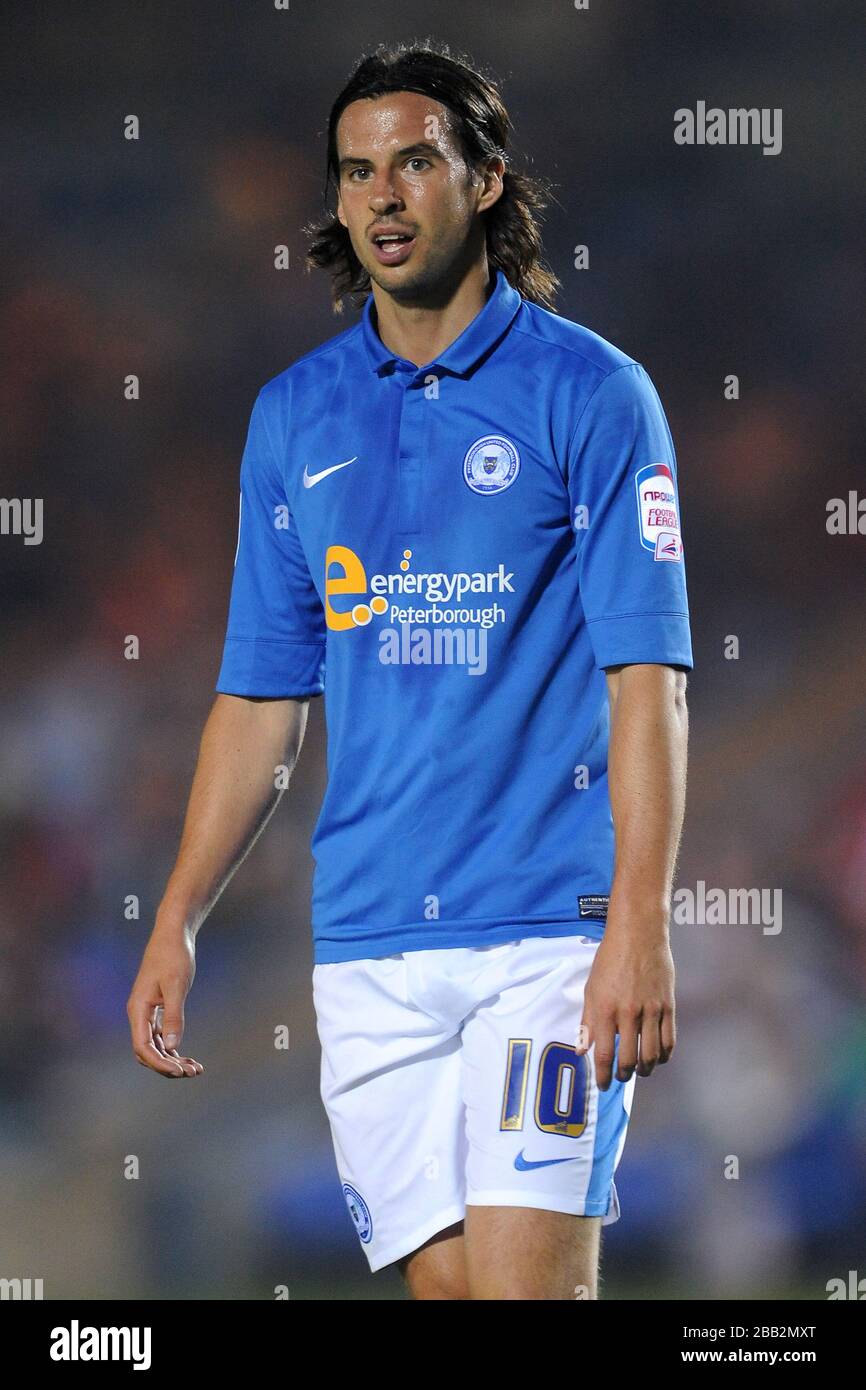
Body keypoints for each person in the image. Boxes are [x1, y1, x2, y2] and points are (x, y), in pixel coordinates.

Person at [127, 40, 692, 1301]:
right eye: (355, 171)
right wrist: (177, 912)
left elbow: (646, 679)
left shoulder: (595, 394)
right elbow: (261, 697)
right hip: (369, 944)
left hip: (545, 935)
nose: (382, 194)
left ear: (483, 180)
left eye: (416, 161)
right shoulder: (294, 418)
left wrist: (642, 922)